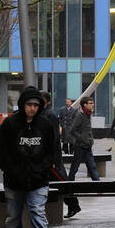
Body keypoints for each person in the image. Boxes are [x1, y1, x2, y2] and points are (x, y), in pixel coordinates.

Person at [0, 86, 59, 228]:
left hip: (38, 180)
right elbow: (2, 151)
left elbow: (51, 150)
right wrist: (11, 170)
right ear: (23, 104)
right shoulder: (10, 124)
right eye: (29, 104)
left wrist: (42, 170)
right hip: (14, 180)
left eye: (36, 105)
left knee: (38, 211)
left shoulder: (45, 125)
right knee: (13, 216)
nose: (32, 108)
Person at [41, 91, 80, 219]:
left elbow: (54, 136)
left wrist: (51, 156)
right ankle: (72, 205)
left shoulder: (49, 114)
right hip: (49, 155)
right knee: (58, 180)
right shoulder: (45, 113)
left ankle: (73, 205)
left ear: (45, 100)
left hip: (52, 156)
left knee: (61, 179)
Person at [66, 96, 99, 183]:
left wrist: (90, 140)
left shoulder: (88, 114)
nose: (93, 104)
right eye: (90, 103)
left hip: (87, 146)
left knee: (92, 167)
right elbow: (72, 130)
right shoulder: (80, 115)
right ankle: (69, 184)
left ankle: (99, 185)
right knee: (75, 167)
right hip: (79, 147)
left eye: (93, 103)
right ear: (85, 105)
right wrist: (82, 138)